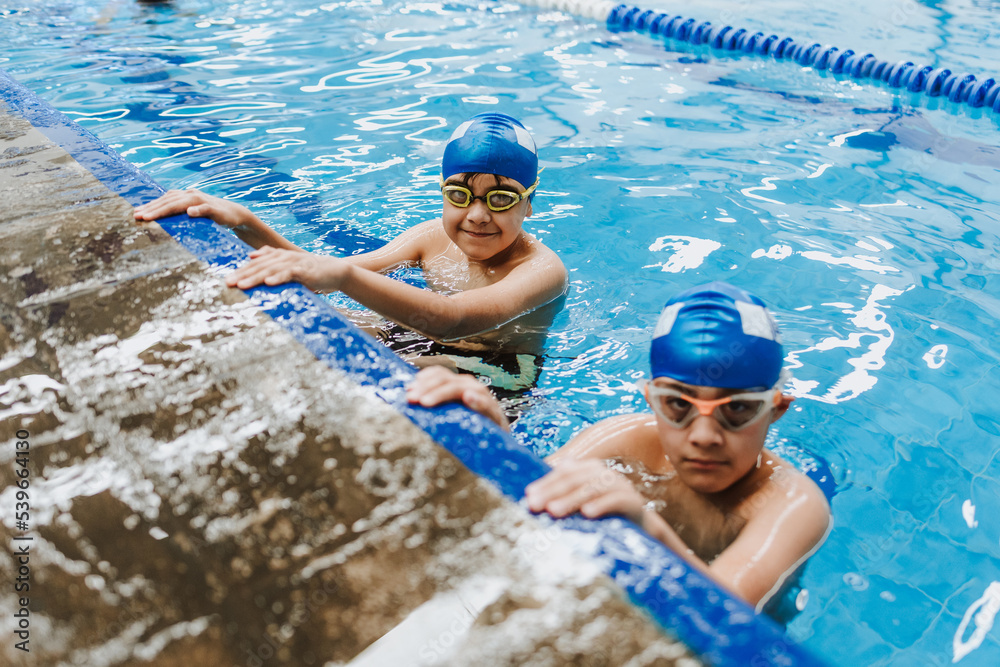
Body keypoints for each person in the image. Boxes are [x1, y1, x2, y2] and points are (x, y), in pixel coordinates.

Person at [407, 281, 831, 609]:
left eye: (737, 409)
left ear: (776, 410)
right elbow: (532, 497)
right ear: (650, 400)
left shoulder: (793, 503)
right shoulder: (626, 437)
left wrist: (645, 527)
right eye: (677, 405)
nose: (703, 435)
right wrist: (492, 437)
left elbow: (735, 611)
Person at [134, 112, 567, 357]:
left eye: (502, 199)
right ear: (442, 192)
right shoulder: (430, 236)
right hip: (413, 339)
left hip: (494, 373)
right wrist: (244, 221)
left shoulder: (542, 271)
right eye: (460, 194)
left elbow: (452, 321)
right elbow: (317, 271)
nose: (477, 215)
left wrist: (342, 278)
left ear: (529, 203)